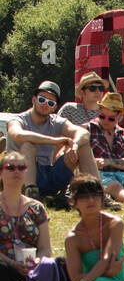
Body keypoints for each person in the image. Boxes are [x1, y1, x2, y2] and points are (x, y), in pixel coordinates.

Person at [6, 80, 99, 208]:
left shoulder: (56, 121)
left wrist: (75, 145)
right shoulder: (18, 119)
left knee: (83, 146)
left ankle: (97, 194)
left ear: (55, 107)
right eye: (41, 99)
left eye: (50, 103)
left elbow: (83, 132)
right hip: (20, 177)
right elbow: (18, 135)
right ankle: (31, 194)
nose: (45, 104)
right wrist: (54, 140)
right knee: (28, 145)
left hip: (48, 174)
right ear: (33, 99)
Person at [0, 150, 53, 281]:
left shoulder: (37, 207)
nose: (16, 171)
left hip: (30, 269)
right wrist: (13, 263)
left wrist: (34, 262)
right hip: (4, 266)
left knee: (57, 264)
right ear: (1, 173)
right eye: (11, 167)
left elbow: (45, 248)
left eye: (21, 167)